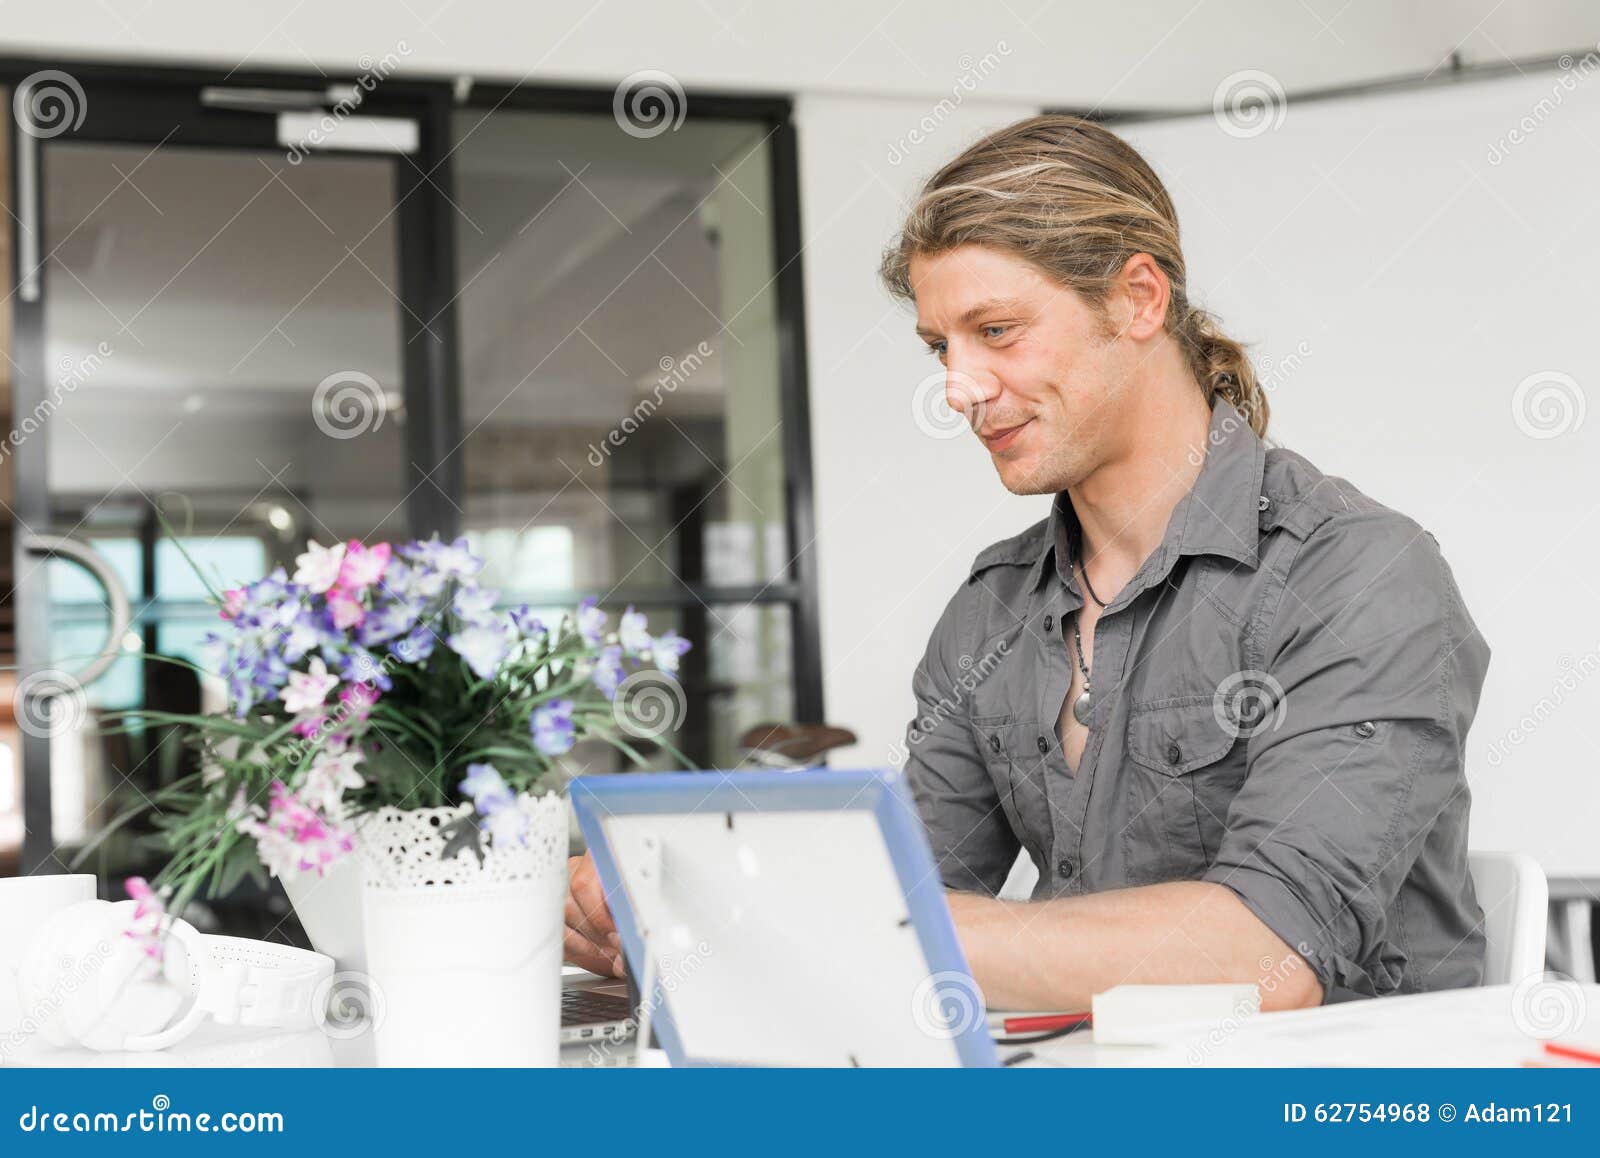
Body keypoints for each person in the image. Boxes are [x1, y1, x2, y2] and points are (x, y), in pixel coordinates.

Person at [566, 114, 1492, 1012]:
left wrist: (822, 917)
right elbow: (914, 883)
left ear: (1138, 298)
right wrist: (687, 922)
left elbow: (1266, 954)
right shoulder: (995, 609)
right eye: (940, 347)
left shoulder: (1361, 576)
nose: (956, 389)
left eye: (996, 332)